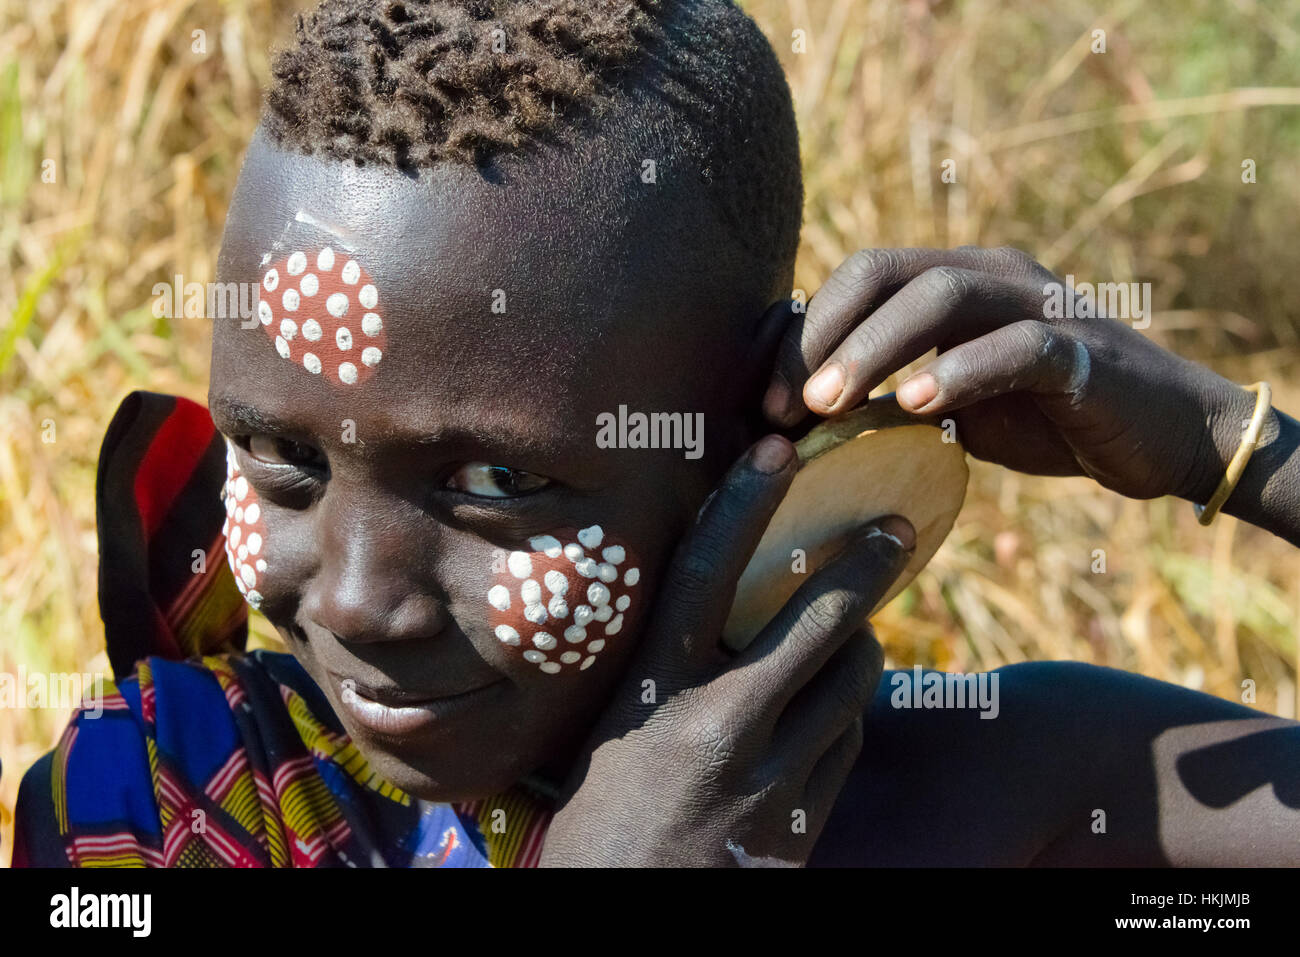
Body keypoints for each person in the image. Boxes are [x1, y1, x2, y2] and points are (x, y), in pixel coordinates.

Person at [12, 0, 1299, 867]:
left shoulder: (976, 799)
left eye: (495, 478)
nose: (354, 600)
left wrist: (1229, 447)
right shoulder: (159, 796)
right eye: (284, 459)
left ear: (760, 443)